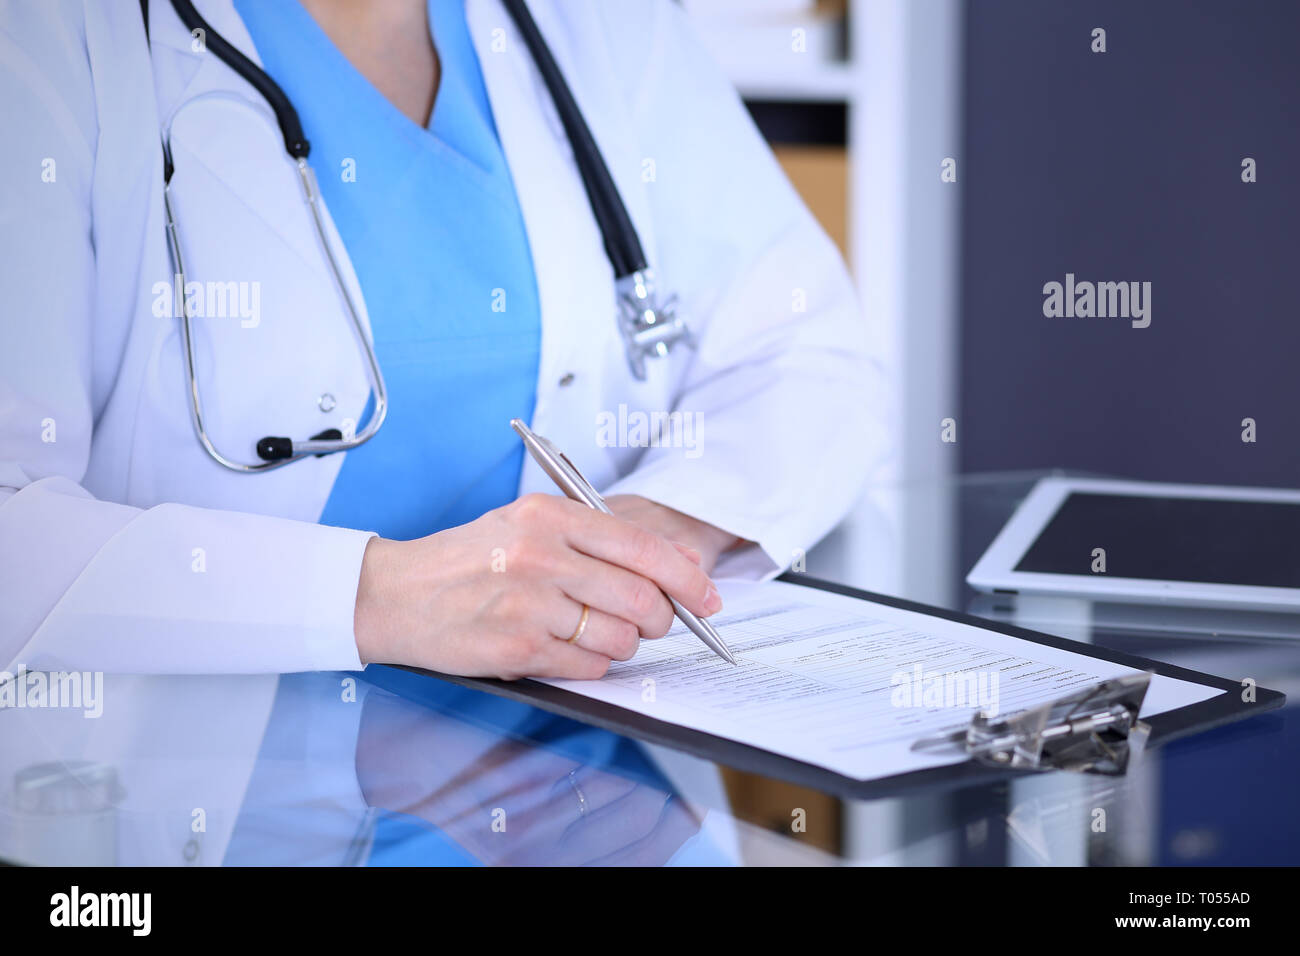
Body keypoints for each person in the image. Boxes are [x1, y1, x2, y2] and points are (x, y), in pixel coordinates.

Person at [0, 0, 882, 681]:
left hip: (602, 779)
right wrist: (378, 599)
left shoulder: (598, 21)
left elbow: (809, 356)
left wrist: (645, 537)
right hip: (206, 803)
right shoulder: (53, 38)